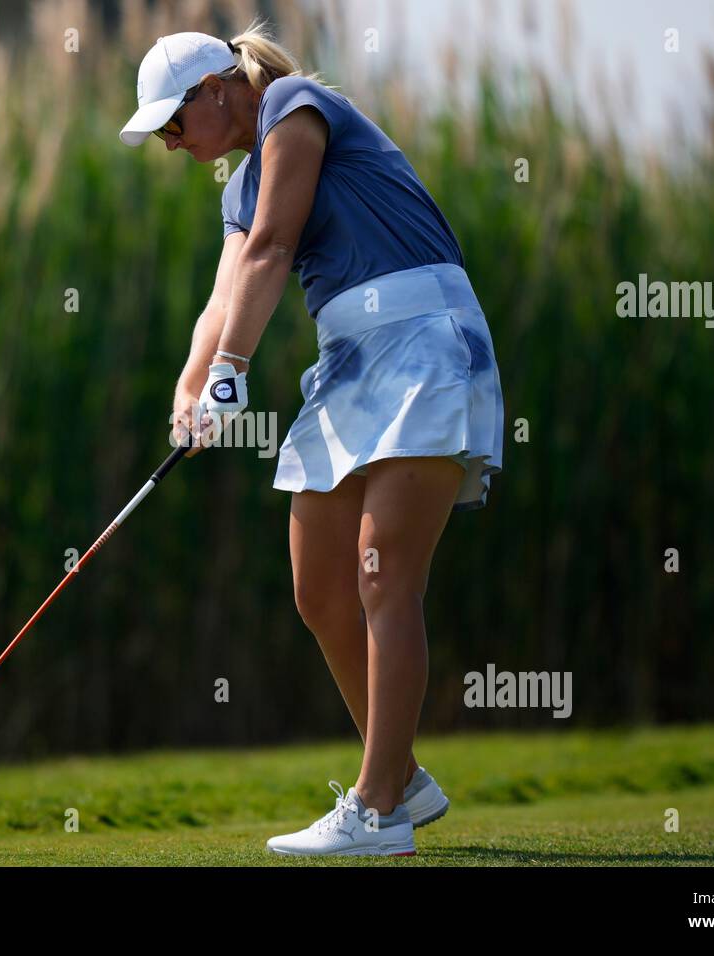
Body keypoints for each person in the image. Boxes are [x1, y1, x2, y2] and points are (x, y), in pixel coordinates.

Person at [120, 20, 504, 857]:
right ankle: (399, 775)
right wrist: (191, 391)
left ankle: (376, 810)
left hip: (425, 340)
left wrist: (233, 371)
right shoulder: (238, 185)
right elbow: (226, 292)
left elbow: (275, 246)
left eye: (174, 124)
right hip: (349, 361)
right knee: (317, 586)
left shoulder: (296, 106)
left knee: (380, 573)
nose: (172, 144)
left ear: (217, 90)